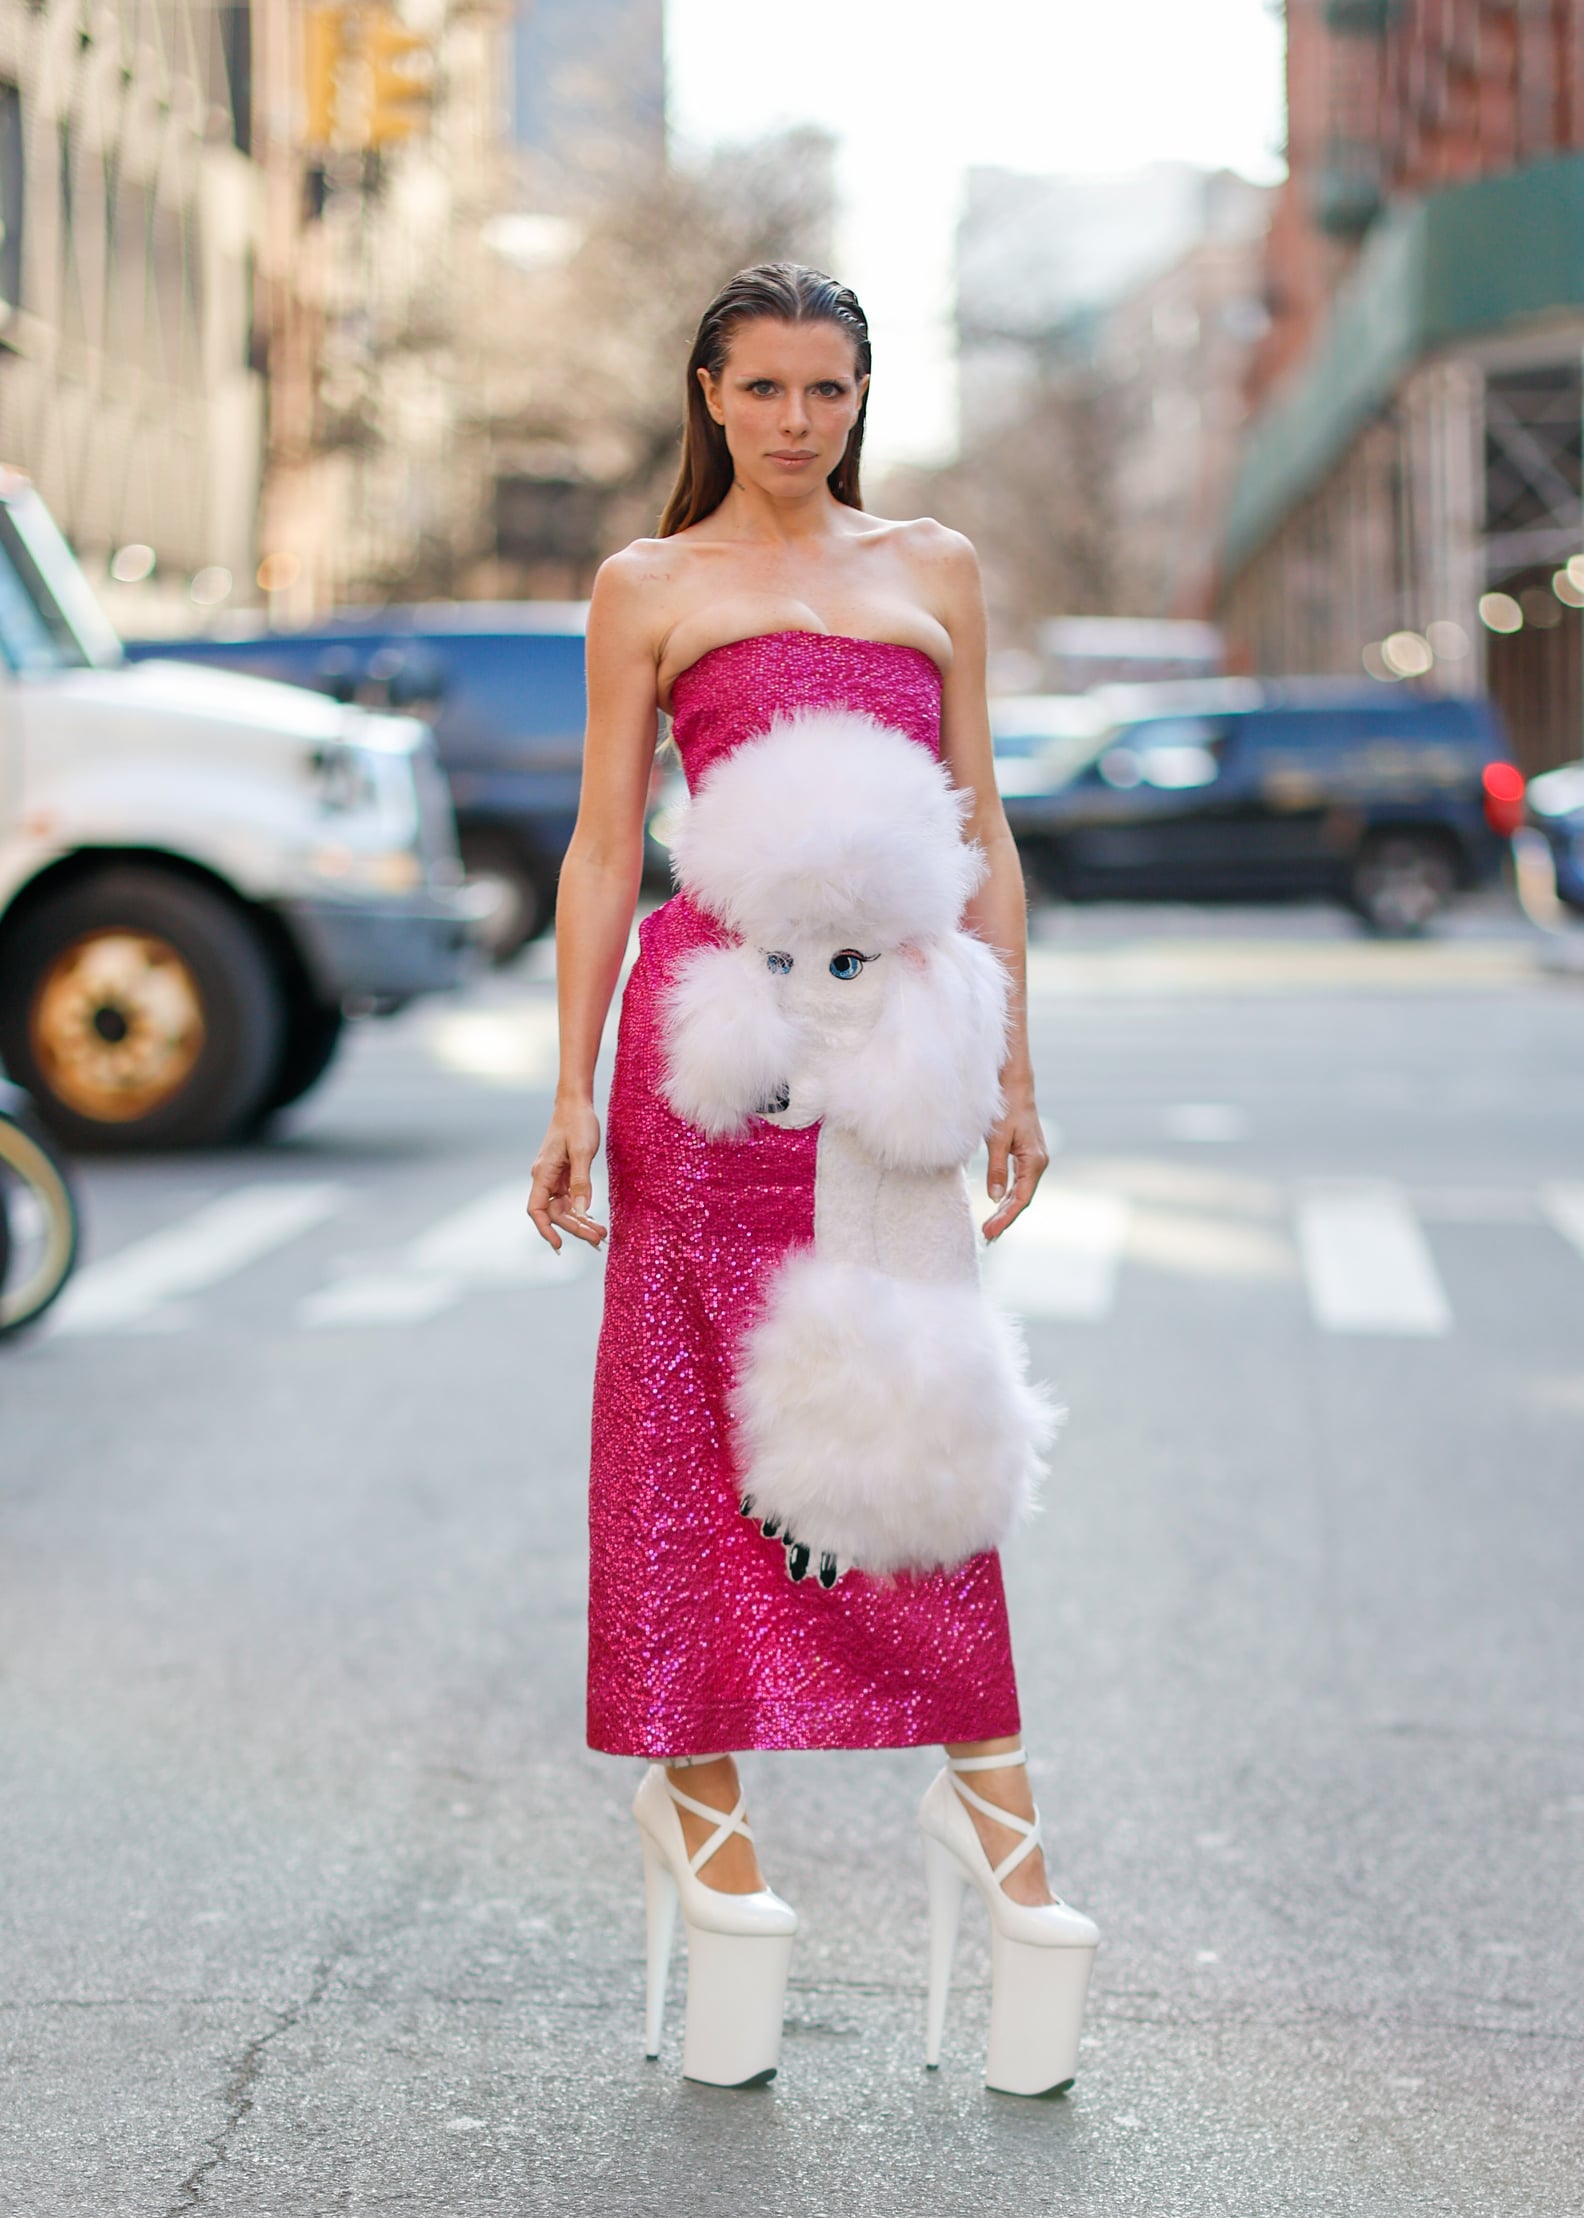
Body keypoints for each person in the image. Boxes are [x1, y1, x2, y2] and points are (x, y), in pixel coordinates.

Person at [527, 262, 1098, 2097]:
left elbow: (980, 829)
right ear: (707, 392)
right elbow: (608, 841)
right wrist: (567, 1085)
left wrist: (1014, 1062)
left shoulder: (932, 569)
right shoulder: (648, 588)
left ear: (863, 397)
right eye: (762, 387)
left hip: (894, 1069)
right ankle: (716, 1853)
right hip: (711, 1072)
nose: (795, 421)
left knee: (910, 1430)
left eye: (827, 390)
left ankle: (1009, 1859)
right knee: (686, 1462)